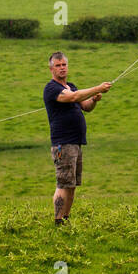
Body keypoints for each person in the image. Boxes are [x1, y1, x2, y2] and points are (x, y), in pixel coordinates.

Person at [43, 52, 111, 224]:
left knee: (72, 184)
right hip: (63, 143)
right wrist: (97, 88)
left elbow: (86, 106)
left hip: (75, 142)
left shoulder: (71, 86)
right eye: (58, 65)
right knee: (63, 183)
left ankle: (66, 219)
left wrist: (94, 99)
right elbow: (73, 97)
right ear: (51, 69)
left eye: (64, 64)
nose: (62, 68)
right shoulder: (51, 88)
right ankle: (58, 221)